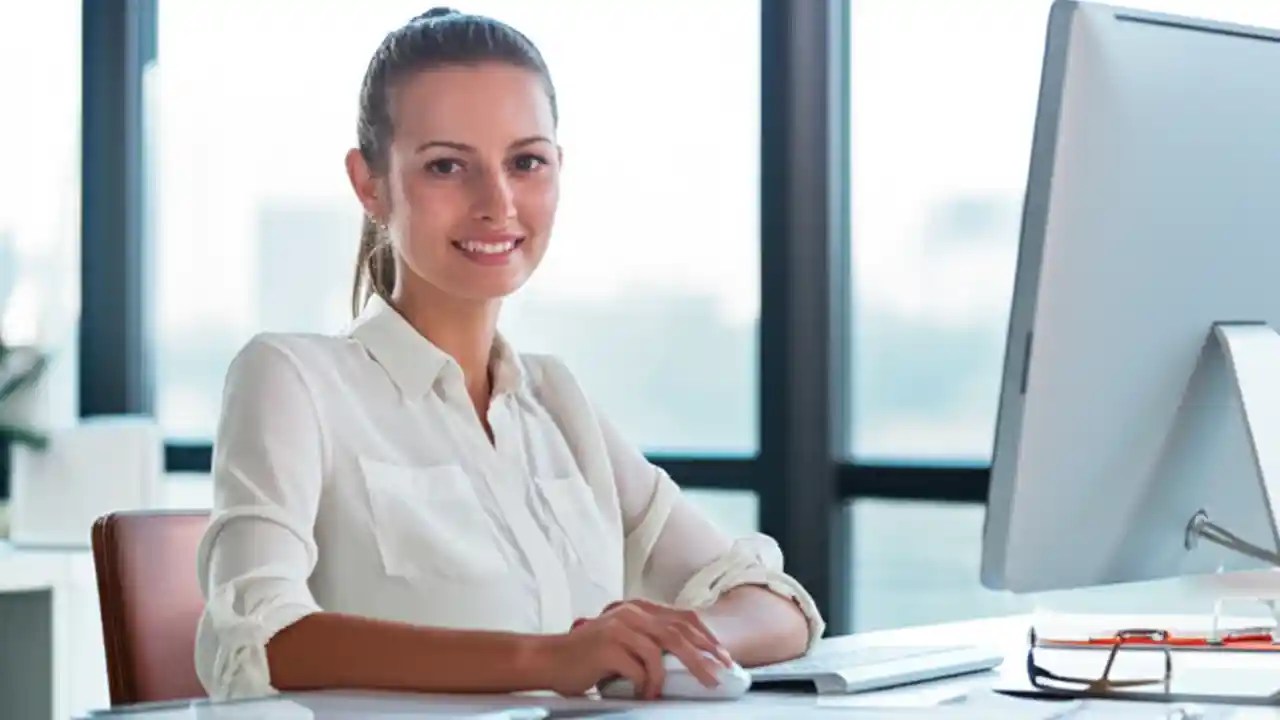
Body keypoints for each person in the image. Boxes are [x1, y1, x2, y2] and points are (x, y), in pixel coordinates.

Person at [194, 7, 824, 702]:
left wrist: (659, 643)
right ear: (370, 184)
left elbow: (775, 605)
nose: (498, 202)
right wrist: (554, 659)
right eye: (446, 166)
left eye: (526, 163)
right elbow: (261, 640)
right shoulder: (292, 381)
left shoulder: (556, 400)